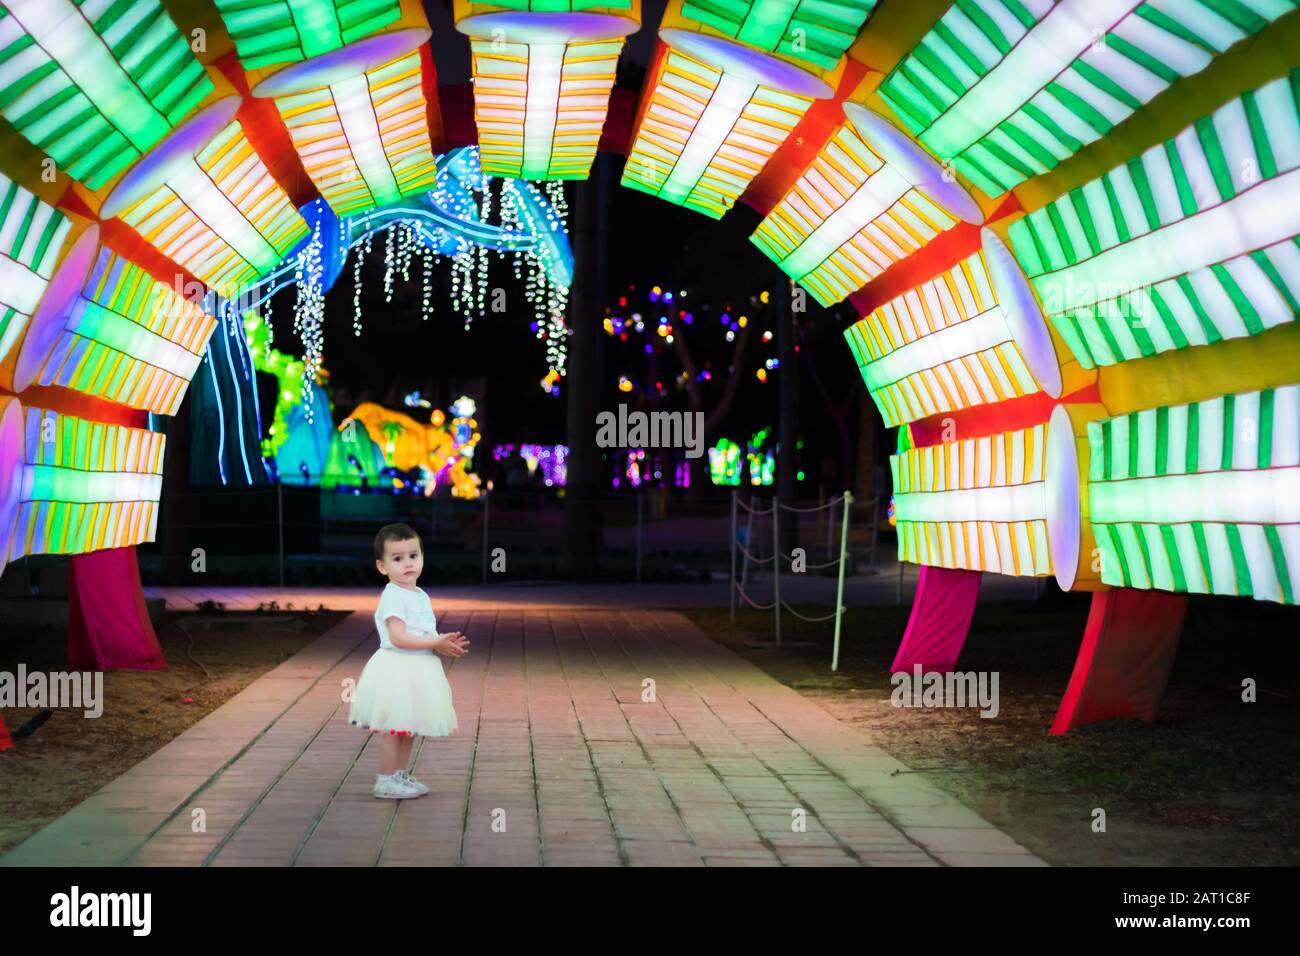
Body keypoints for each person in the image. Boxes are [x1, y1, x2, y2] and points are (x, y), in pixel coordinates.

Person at [349, 523, 469, 799]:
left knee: (409, 727)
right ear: (382, 566)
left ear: (423, 558)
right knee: (395, 728)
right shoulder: (393, 596)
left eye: (413, 556)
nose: (408, 563)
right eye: (398, 558)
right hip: (398, 669)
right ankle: (384, 780)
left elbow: (423, 632)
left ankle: (399, 775)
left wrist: (441, 643)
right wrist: (433, 643)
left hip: (419, 668)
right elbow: (399, 637)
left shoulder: (419, 594)